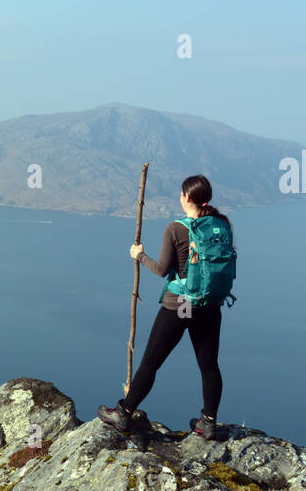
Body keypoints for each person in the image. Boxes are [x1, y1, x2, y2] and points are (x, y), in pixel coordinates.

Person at [98, 174, 232, 440]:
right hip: (209, 305)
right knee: (209, 366)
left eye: (181, 194)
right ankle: (208, 422)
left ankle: (123, 413)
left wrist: (139, 255)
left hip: (181, 305)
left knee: (150, 363)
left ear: (186, 197)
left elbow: (161, 270)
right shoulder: (221, 224)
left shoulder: (176, 228)